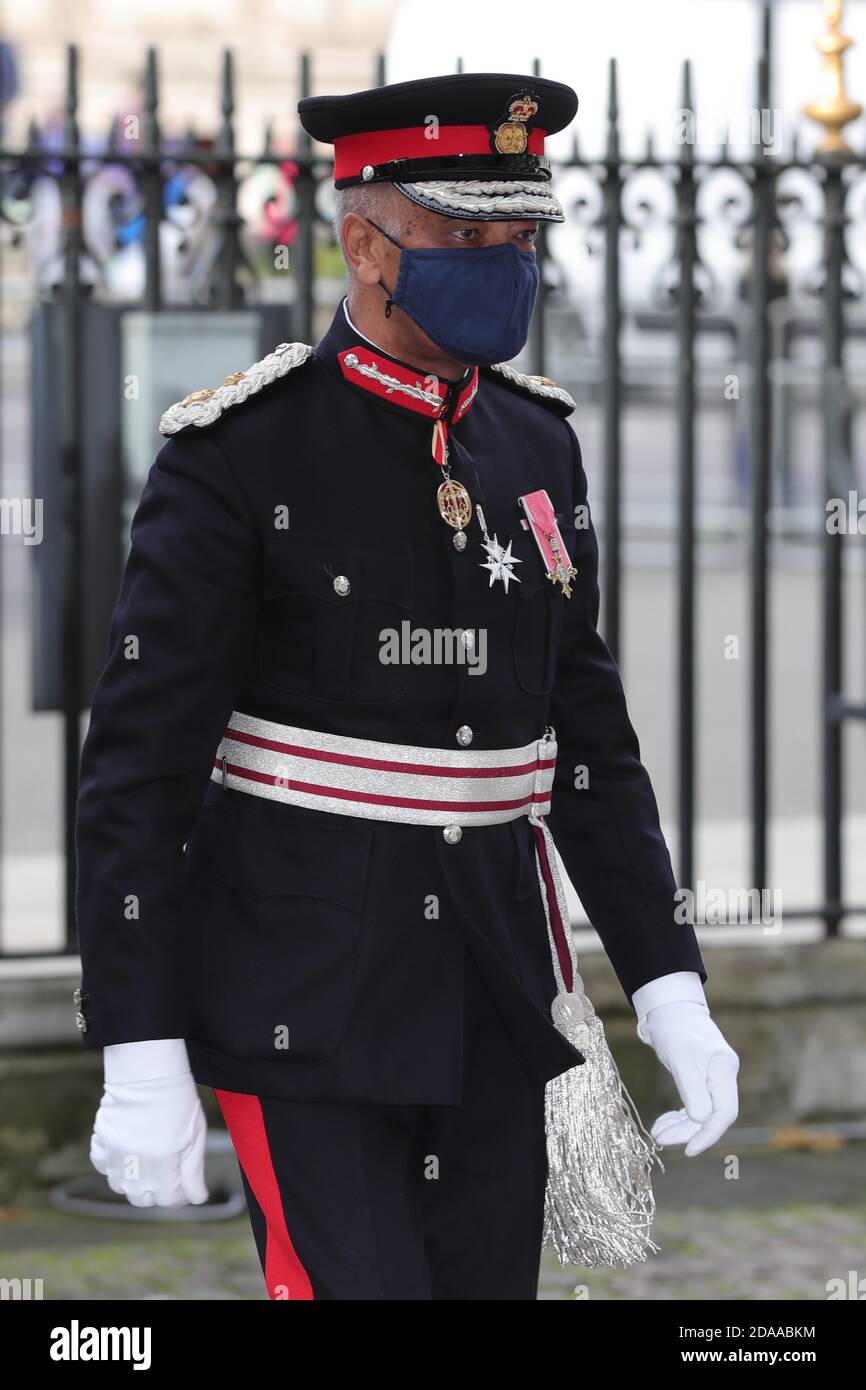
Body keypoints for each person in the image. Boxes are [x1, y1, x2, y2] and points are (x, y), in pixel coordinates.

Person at [74, 71, 739, 1301]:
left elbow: (582, 736)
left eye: (518, 233)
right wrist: (137, 1040)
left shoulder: (536, 441)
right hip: (301, 998)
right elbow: (139, 767)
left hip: (491, 989)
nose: (503, 260)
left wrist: (666, 982)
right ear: (366, 245)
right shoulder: (239, 452)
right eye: (465, 235)